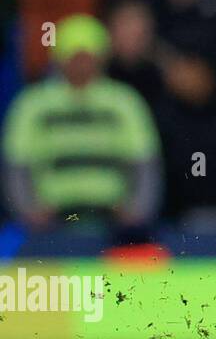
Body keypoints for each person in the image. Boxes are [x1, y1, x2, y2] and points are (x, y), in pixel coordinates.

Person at [2, 14, 161, 243]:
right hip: (52, 223)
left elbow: (145, 163)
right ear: (60, 58)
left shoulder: (124, 101)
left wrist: (137, 212)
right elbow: (16, 165)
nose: (82, 64)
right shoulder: (32, 104)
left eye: (88, 56)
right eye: (75, 56)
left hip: (113, 223)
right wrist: (28, 211)